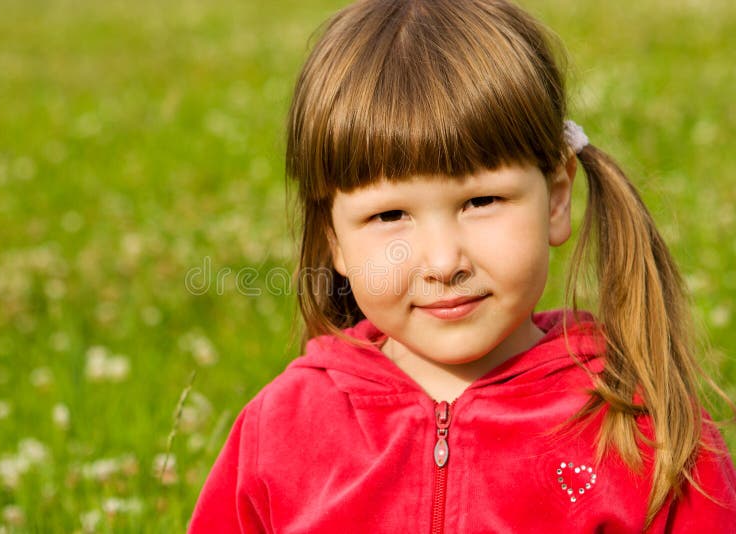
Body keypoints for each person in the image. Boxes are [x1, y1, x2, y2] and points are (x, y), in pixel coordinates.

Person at [188, 0, 736, 531]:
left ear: (557, 198)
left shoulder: (639, 424)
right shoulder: (282, 431)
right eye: (389, 215)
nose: (444, 261)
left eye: (481, 202)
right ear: (334, 239)